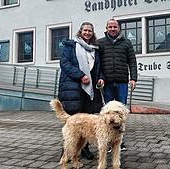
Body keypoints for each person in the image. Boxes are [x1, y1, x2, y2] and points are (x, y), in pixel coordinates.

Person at [58, 22, 102, 160]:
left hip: (89, 90)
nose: (87, 33)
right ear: (80, 31)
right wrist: (80, 75)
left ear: (92, 33)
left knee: (87, 121)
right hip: (73, 88)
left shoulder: (95, 49)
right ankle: (66, 150)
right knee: (72, 120)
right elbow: (64, 63)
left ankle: (84, 149)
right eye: (85, 30)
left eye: (90, 30)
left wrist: (100, 78)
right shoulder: (70, 46)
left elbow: (98, 69)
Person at [97, 18, 138, 151]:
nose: (113, 29)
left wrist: (134, 78)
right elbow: (98, 64)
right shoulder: (100, 43)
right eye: (110, 27)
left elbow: (132, 61)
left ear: (119, 28)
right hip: (107, 83)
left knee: (121, 113)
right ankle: (108, 141)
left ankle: (120, 141)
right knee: (108, 114)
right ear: (106, 28)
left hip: (122, 82)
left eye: (115, 27)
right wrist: (100, 78)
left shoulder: (126, 42)